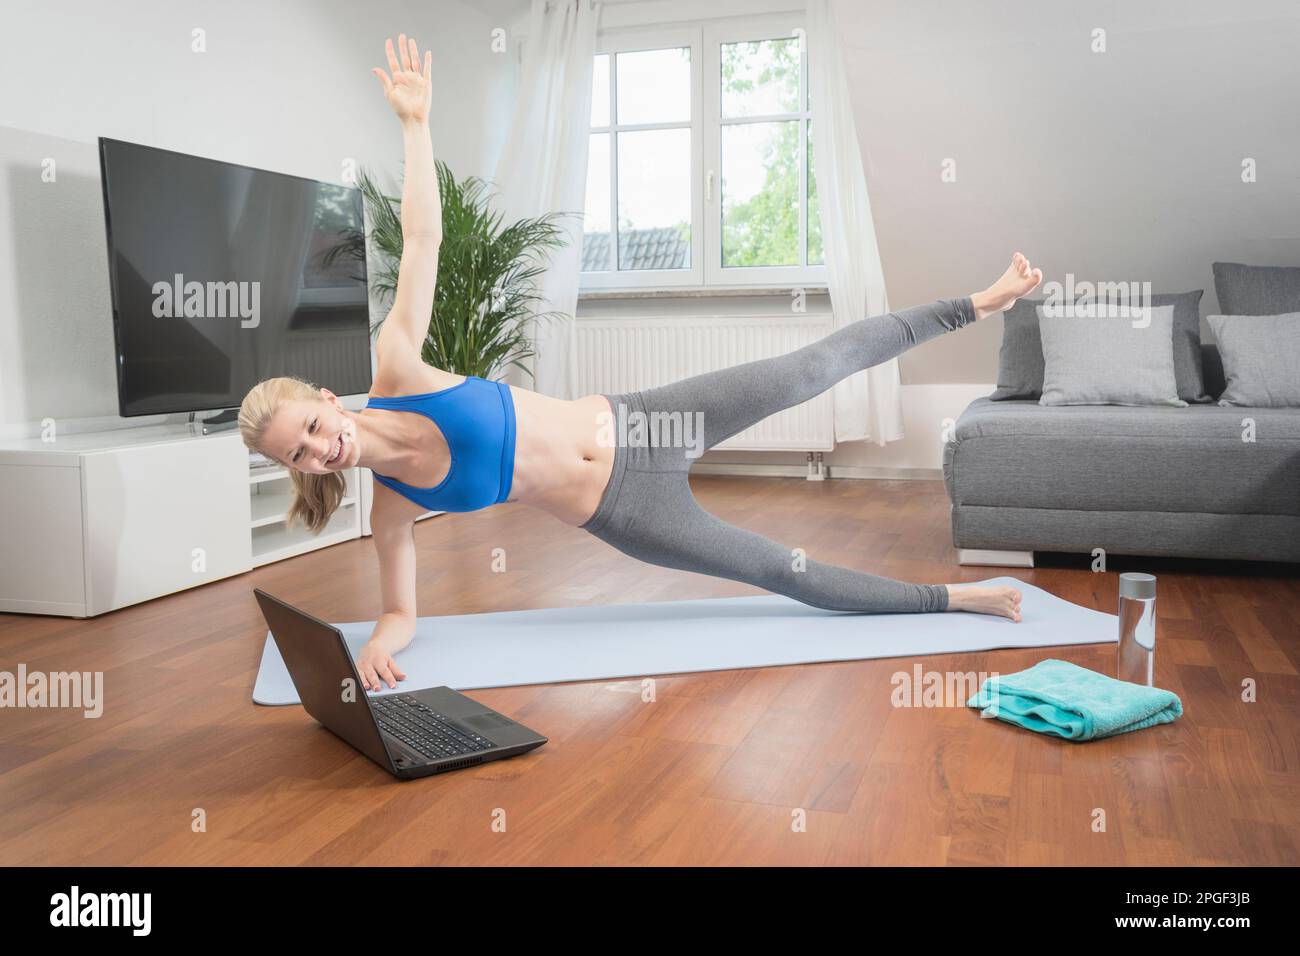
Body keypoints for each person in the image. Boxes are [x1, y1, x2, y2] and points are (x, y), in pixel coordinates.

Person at [239, 35, 1042, 692]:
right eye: (297, 455)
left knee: (809, 370)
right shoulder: (390, 506)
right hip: (626, 517)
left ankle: (974, 302)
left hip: (642, 420)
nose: (317, 449)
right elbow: (402, 610)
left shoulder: (396, 367)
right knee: (779, 570)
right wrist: (385, 636)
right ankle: (953, 597)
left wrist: (415, 127)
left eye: (310, 427)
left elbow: (422, 242)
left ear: (325, 400)